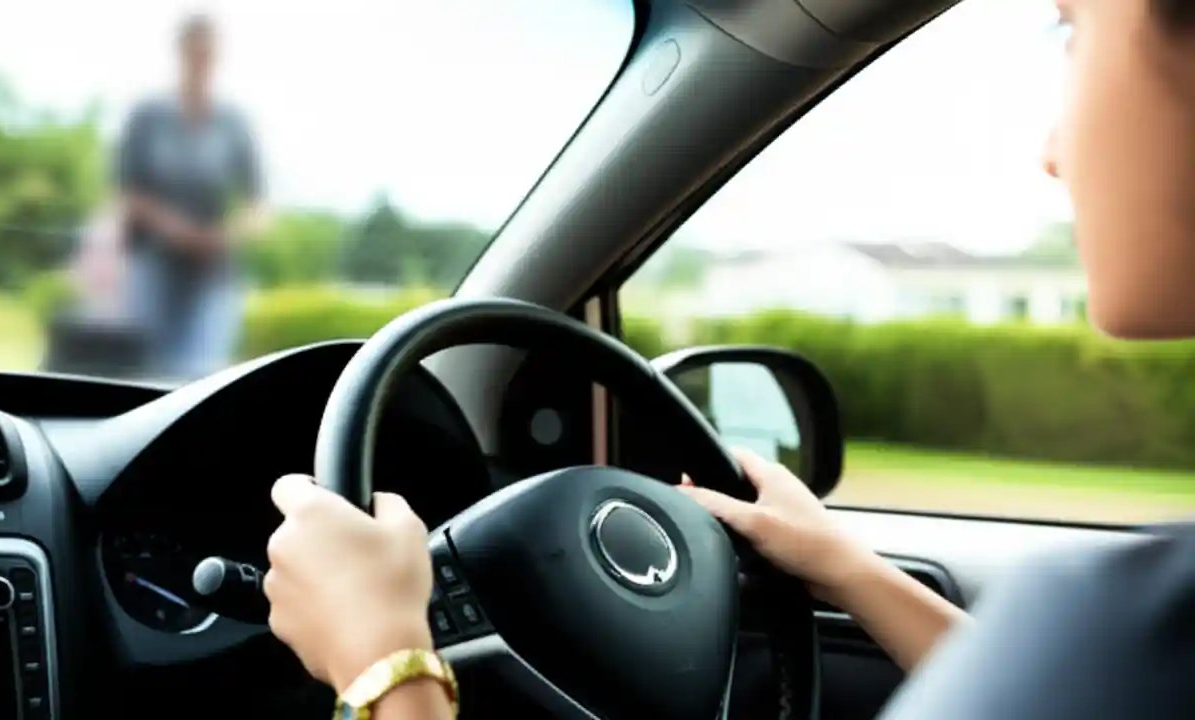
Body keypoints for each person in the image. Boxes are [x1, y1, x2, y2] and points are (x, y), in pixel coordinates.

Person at [261, 0, 1195, 717]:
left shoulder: (1121, 629)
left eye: (1073, 30)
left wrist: (385, 661)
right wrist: (844, 566)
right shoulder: (1135, 645)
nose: (1051, 151)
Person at [117, 14, 265, 380]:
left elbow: (257, 204)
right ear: (180, 52)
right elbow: (127, 193)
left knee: (202, 374)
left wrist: (225, 235)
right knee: (144, 373)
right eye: (194, 52)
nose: (201, 61)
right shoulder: (148, 116)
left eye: (208, 54)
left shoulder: (233, 122)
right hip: (153, 266)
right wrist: (175, 230)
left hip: (213, 271)